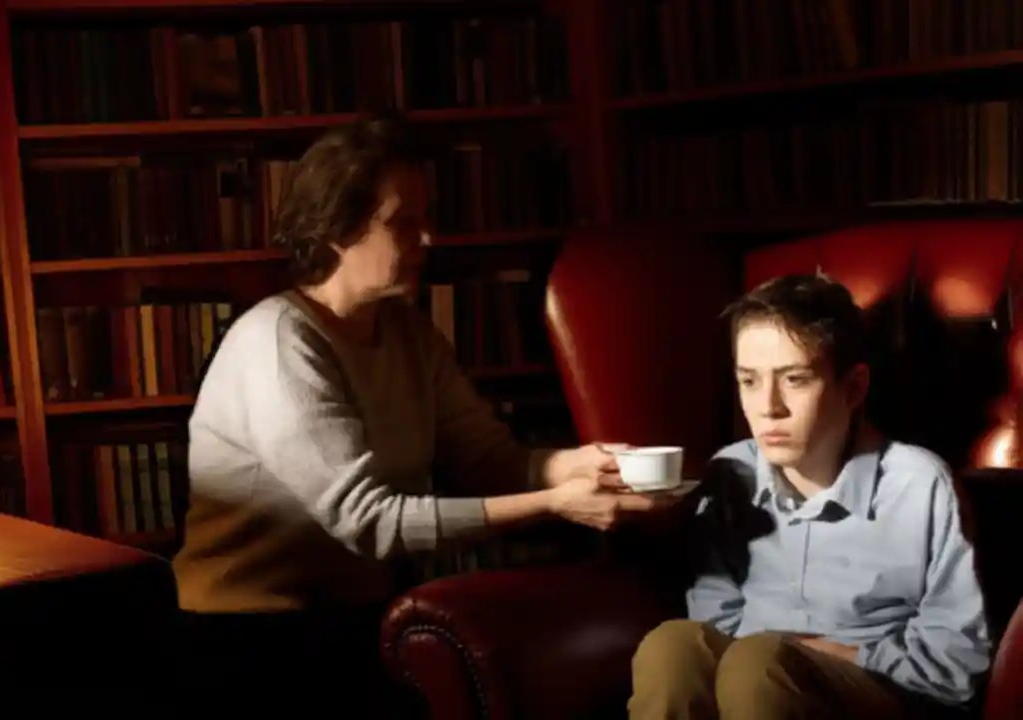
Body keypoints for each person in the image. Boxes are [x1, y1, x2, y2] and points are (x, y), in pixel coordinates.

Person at [170, 114, 676, 716]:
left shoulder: (410, 335)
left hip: (356, 619)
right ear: (337, 228)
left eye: (426, 220)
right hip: (249, 636)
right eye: (403, 224)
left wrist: (582, 465)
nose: (428, 240)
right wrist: (553, 503)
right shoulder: (280, 342)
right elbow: (372, 523)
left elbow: (492, 461)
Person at [627, 273, 994, 719]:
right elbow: (714, 615)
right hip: (749, 675)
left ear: (853, 388)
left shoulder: (920, 485)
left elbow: (954, 667)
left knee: (758, 665)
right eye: (749, 381)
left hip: (880, 693)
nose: (768, 407)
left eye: (795, 380)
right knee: (672, 646)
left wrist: (832, 654)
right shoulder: (731, 473)